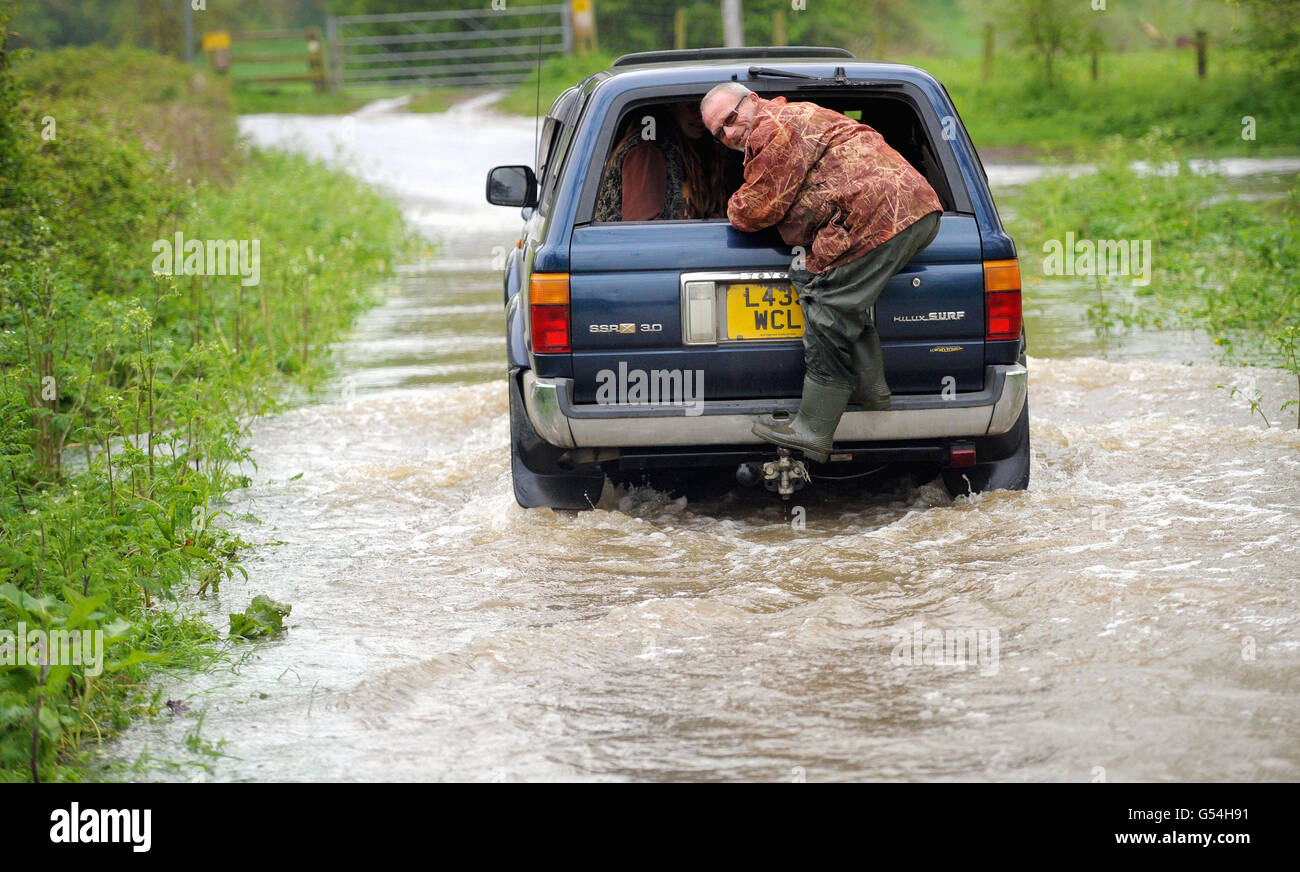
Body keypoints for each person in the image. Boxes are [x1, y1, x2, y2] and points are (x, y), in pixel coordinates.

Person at [700, 82, 943, 462]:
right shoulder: (793, 117)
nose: (729, 133)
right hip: (912, 212)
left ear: (752, 100)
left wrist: (727, 206)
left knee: (827, 310)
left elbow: (757, 209)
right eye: (719, 132)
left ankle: (813, 429)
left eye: (730, 119)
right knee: (839, 293)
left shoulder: (772, 125)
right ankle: (872, 391)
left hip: (880, 218)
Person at [593, 102, 730, 222]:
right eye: (692, 107)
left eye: (705, 111)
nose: (700, 117)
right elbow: (643, 229)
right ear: (671, 106)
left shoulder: (696, 151)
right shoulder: (647, 152)